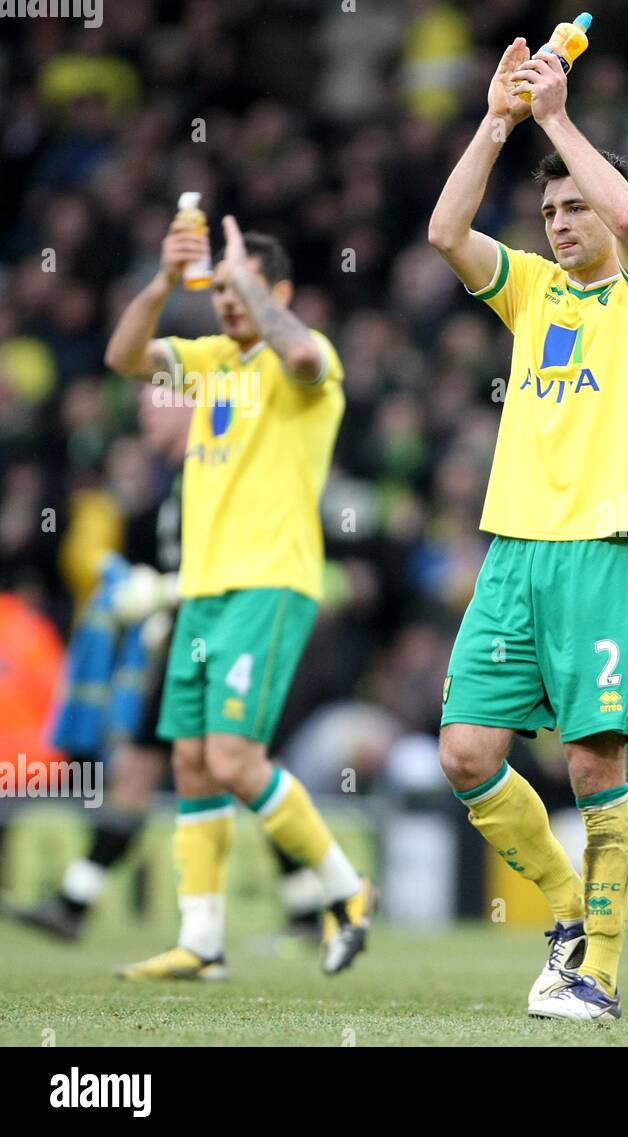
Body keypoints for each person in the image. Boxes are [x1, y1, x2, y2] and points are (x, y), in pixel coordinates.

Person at [427, 38, 628, 1021]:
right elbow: (446, 229)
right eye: (547, 212)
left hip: (599, 550)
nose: (559, 221)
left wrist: (555, 117)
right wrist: (500, 119)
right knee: (464, 752)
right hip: (513, 554)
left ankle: (600, 976)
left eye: (570, 205)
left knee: (593, 765)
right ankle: (563, 907)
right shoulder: (535, 291)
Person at [102, 215, 372, 979]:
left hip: (270, 584)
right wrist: (161, 282)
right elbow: (123, 356)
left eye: (242, 286)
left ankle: (347, 891)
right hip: (203, 591)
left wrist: (254, 290)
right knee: (189, 760)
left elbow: (305, 354)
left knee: (234, 757)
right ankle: (204, 938)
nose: (226, 301)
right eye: (219, 289)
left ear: (278, 290)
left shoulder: (304, 363)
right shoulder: (209, 361)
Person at [3, 388, 325, 945]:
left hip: (232, 633)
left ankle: (321, 899)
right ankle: (76, 902)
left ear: (192, 409)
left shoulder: (221, 472)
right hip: (192, 634)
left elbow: (244, 559)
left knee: (238, 766)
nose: (145, 414)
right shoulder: (178, 483)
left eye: (157, 403)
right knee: (149, 767)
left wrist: (161, 592)